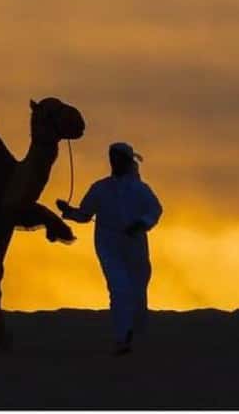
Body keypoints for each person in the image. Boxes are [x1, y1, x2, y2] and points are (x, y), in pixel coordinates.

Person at [58, 142, 163, 355]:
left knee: (136, 289)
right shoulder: (100, 188)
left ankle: (133, 330)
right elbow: (85, 215)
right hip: (108, 245)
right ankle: (121, 338)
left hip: (135, 245)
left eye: (118, 157)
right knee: (118, 288)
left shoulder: (140, 189)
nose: (114, 161)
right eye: (111, 157)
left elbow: (155, 210)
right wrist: (69, 212)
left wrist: (141, 223)